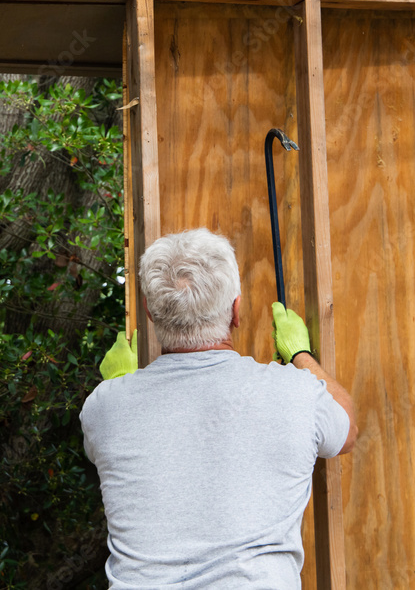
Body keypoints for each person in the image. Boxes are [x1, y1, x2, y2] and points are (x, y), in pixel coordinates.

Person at [80, 227, 358, 589]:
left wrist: (115, 384)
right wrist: (300, 355)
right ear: (236, 311)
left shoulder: (104, 407)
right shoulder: (297, 393)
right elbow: (347, 428)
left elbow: (113, 438)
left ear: (149, 312)